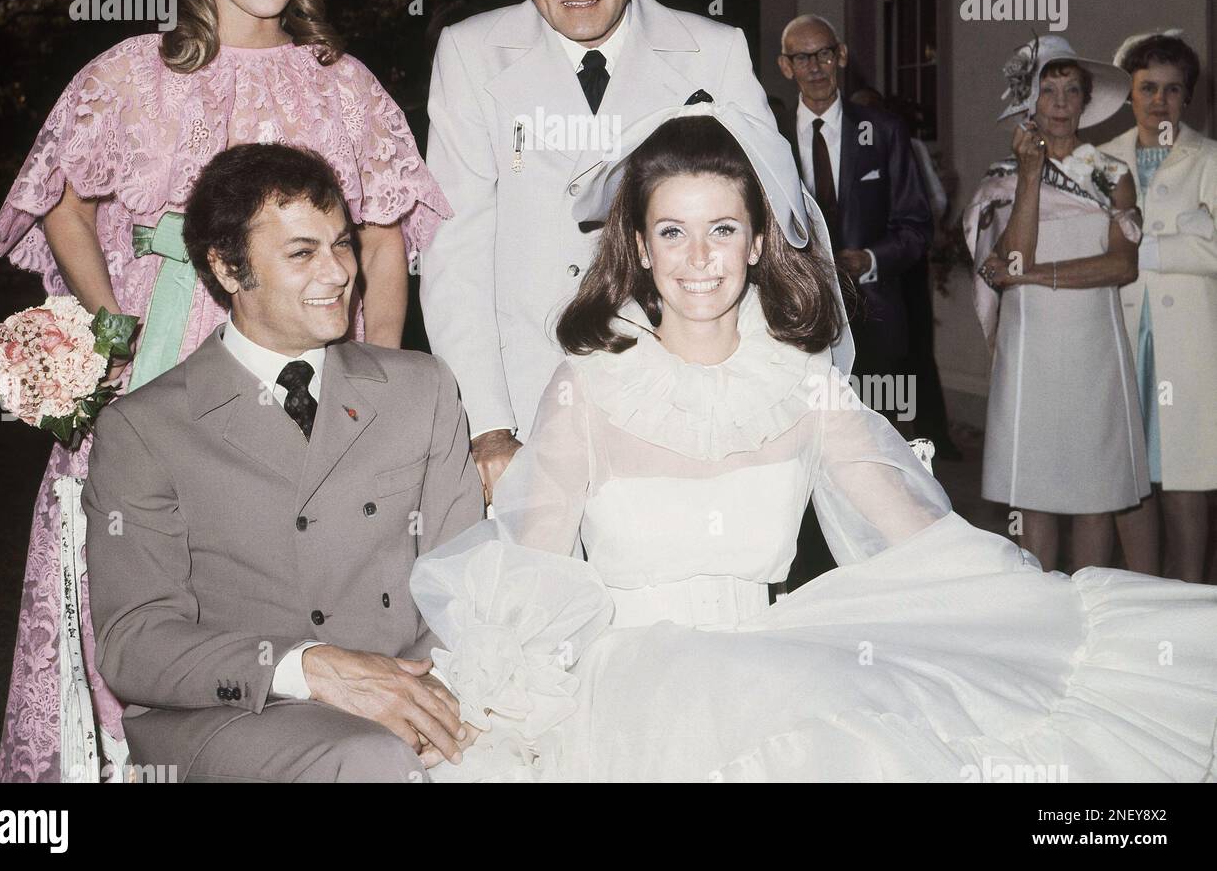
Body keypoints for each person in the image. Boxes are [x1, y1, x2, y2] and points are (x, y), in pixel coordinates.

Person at [407, 101, 1217, 783]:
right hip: (623, 689)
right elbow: (534, 566)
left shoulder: (801, 381)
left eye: (722, 229)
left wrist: (1032, 604)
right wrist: (498, 704)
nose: (699, 260)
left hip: (773, 661)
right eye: (673, 233)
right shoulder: (589, 383)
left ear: (759, 241)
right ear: (642, 248)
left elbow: (915, 533)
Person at [0, 0, 450, 781]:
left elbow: (381, 245)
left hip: (302, 367)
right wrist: (110, 323)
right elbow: (59, 197)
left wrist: (379, 388)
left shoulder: (346, 85)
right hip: (164, 360)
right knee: (144, 610)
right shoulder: (129, 72)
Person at [83, 143, 484, 781]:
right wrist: (306, 667)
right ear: (229, 268)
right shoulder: (146, 427)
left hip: (421, 687)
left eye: (343, 244)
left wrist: (424, 693)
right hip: (236, 718)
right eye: (302, 253)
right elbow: (134, 645)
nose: (338, 274)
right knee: (371, 759)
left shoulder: (421, 388)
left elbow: (469, 580)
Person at [420, 0, 787, 504]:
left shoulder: (715, 51)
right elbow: (456, 253)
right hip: (530, 406)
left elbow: (770, 235)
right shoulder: (471, 55)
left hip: (678, 400)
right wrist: (488, 426)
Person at [963, 35, 1148, 573]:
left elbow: (1122, 265)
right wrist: (1028, 176)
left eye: (1072, 90)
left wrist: (1038, 277)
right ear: (1030, 103)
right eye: (1049, 91)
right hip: (1032, 343)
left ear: (1086, 101)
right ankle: (1041, 618)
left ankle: (1090, 608)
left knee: (1095, 492)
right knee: (1036, 490)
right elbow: (1012, 259)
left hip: (1093, 342)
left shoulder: (1112, 175)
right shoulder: (1001, 179)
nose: (1062, 103)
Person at [774, 14, 932, 589]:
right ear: (785, 66)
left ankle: (888, 582)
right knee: (800, 453)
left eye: (824, 54)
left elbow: (917, 225)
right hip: (791, 331)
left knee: (876, 452)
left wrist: (868, 261)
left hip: (877, 327)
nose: (814, 67)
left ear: (841, 56)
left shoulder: (883, 132)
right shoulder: (765, 136)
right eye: (801, 58)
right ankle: (810, 585)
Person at [1104, 31, 1217, 582]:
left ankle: (1193, 605)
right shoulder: (1101, 162)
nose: (1159, 101)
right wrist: (1192, 235)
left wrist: (1140, 244)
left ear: (1188, 97)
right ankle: (1145, 601)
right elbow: (1090, 248)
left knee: (1188, 476)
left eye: (1173, 90)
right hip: (1122, 338)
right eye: (1147, 88)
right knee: (1131, 473)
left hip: (1189, 345)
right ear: (1130, 94)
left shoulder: (1209, 160)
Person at [849, 87, 961, 461]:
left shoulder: (905, 146)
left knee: (914, 349)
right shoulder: (840, 149)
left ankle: (929, 435)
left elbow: (934, 202)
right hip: (858, 272)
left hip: (904, 265)